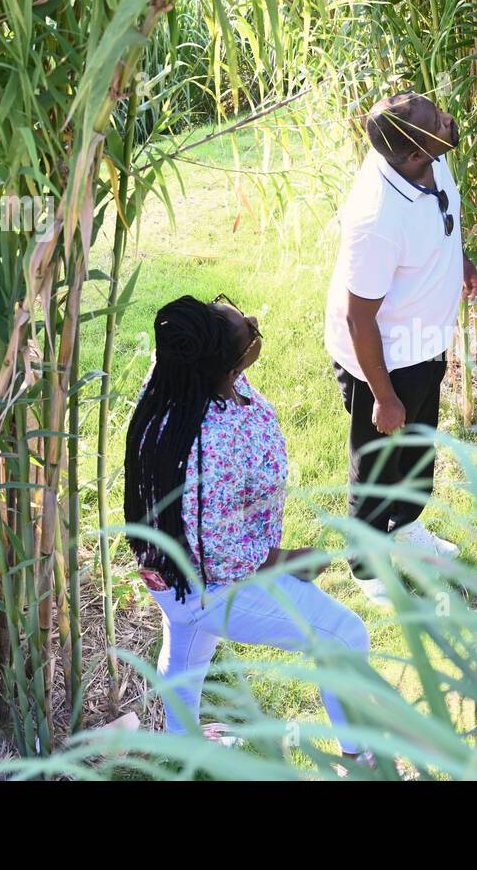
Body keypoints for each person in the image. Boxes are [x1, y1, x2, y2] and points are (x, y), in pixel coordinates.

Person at [124, 294, 372, 762]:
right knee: (343, 636)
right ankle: (360, 759)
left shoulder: (181, 377)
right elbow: (223, 552)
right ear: (230, 367)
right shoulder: (210, 440)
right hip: (209, 583)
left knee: (190, 649)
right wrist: (290, 560)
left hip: (170, 572)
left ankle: (181, 742)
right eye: (247, 331)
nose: (253, 318)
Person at [324, 92, 477, 606]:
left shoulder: (428, 155)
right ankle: (368, 566)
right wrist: (384, 395)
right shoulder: (377, 219)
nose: (447, 117)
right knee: (377, 462)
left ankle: (406, 525)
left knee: (416, 446)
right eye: (437, 119)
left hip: (427, 342)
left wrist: (458, 259)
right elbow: (359, 317)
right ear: (413, 152)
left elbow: (441, 216)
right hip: (385, 358)